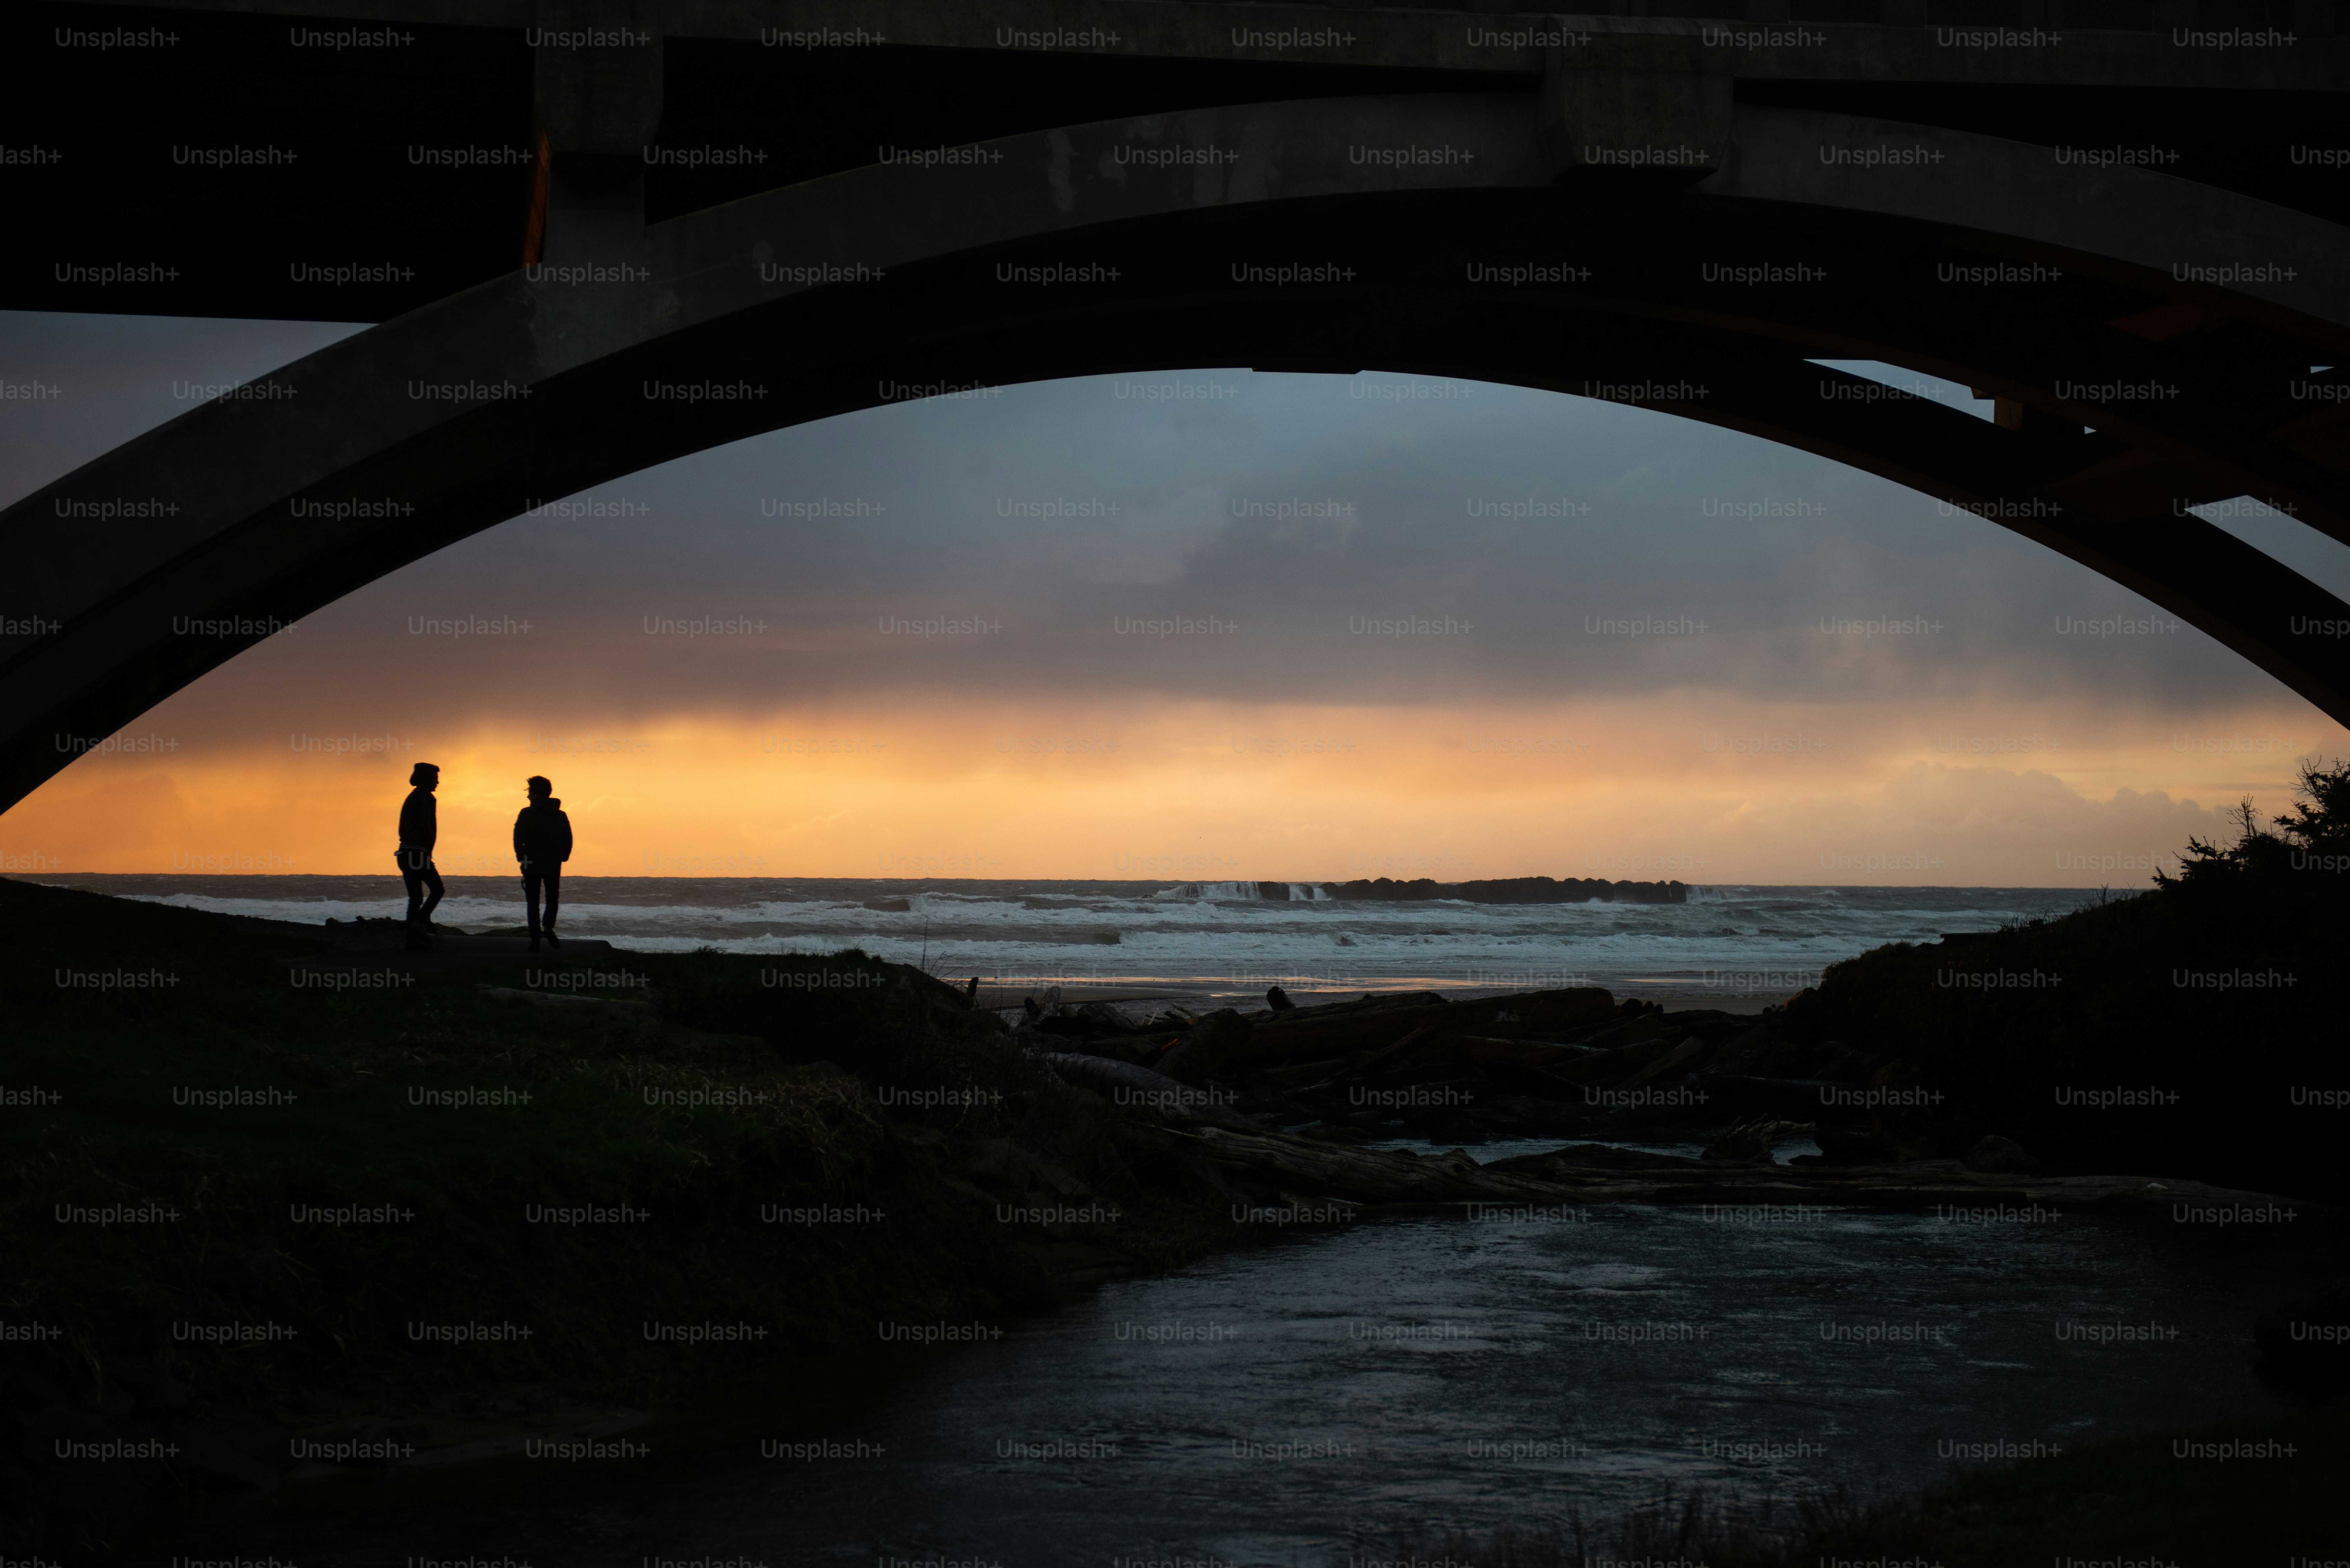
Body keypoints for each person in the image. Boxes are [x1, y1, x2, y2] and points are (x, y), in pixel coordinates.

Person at [513, 775, 573, 951]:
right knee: (552, 899)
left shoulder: (527, 813)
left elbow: (519, 840)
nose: (528, 797)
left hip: (531, 864)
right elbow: (568, 839)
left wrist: (522, 860)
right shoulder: (561, 815)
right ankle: (548, 927)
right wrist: (563, 857)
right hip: (553, 864)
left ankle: (535, 942)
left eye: (530, 793)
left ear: (537, 794)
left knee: (533, 903)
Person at [397, 762, 443, 951]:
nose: (438, 782)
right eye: (435, 778)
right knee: (438, 890)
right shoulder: (427, 798)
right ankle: (419, 924)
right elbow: (425, 826)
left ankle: (411, 941)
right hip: (418, 853)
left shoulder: (412, 797)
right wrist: (427, 851)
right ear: (427, 779)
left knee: (415, 897)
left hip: (404, 853)